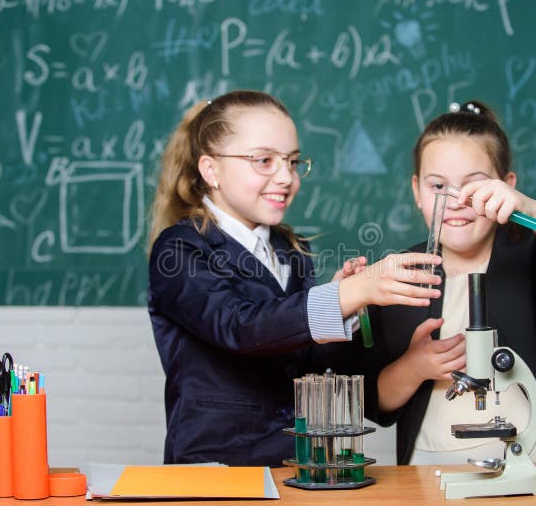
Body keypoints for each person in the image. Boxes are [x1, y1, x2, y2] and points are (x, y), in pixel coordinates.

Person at [147, 90, 442, 467]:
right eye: (264, 161)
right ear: (211, 170)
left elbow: (304, 362)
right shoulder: (181, 248)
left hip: (295, 465)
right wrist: (345, 294)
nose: (286, 177)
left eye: (293, 161)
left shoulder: (290, 248)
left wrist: (344, 305)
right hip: (216, 470)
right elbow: (239, 327)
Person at [331, 100, 536, 465]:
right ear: (417, 191)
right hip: (427, 469)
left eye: (476, 186)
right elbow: (375, 403)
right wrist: (415, 367)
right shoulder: (398, 275)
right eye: (439, 185)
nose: (456, 201)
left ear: (507, 187)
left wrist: (528, 208)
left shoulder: (532, 252)